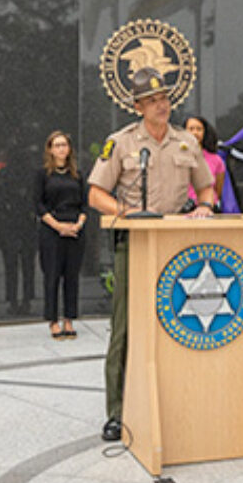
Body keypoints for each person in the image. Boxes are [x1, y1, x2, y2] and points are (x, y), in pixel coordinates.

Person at [87, 67, 215, 442]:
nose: (162, 105)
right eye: (154, 100)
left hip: (178, 248)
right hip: (135, 244)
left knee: (176, 326)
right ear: (138, 106)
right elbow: (96, 194)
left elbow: (206, 189)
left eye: (165, 98)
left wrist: (205, 207)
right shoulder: (121, 142)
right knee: (125, 328)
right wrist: (124, 213)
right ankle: (117, 411)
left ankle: (173, 402)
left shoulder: (187, 143)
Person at [34, 131, 87, 340]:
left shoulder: (78, 175)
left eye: (64, 145)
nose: (61, 149)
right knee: (52, 275)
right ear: (50, 149)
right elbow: (38, 204)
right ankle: (53, 321)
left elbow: (84, 204)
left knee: (72, 277)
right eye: (56, 145)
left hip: (75, 230)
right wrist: (58, 226)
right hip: (52, 230)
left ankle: (69, 319)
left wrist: (78, 225)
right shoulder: (43, 175)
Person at [0, 147, 37, 315]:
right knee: (28, 264)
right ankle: (26, 300)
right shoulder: (32, 175)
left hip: (9, 222)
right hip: (27, 222)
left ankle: (13, 300)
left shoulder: (4, 174)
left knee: (11, 264)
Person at [183, 115, 225, 204]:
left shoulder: (216, 160)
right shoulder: (177, 157)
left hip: (207, 209)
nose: (195, 133)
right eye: (191, 129)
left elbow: (218, 190)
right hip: (182, 209)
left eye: (199, 129)